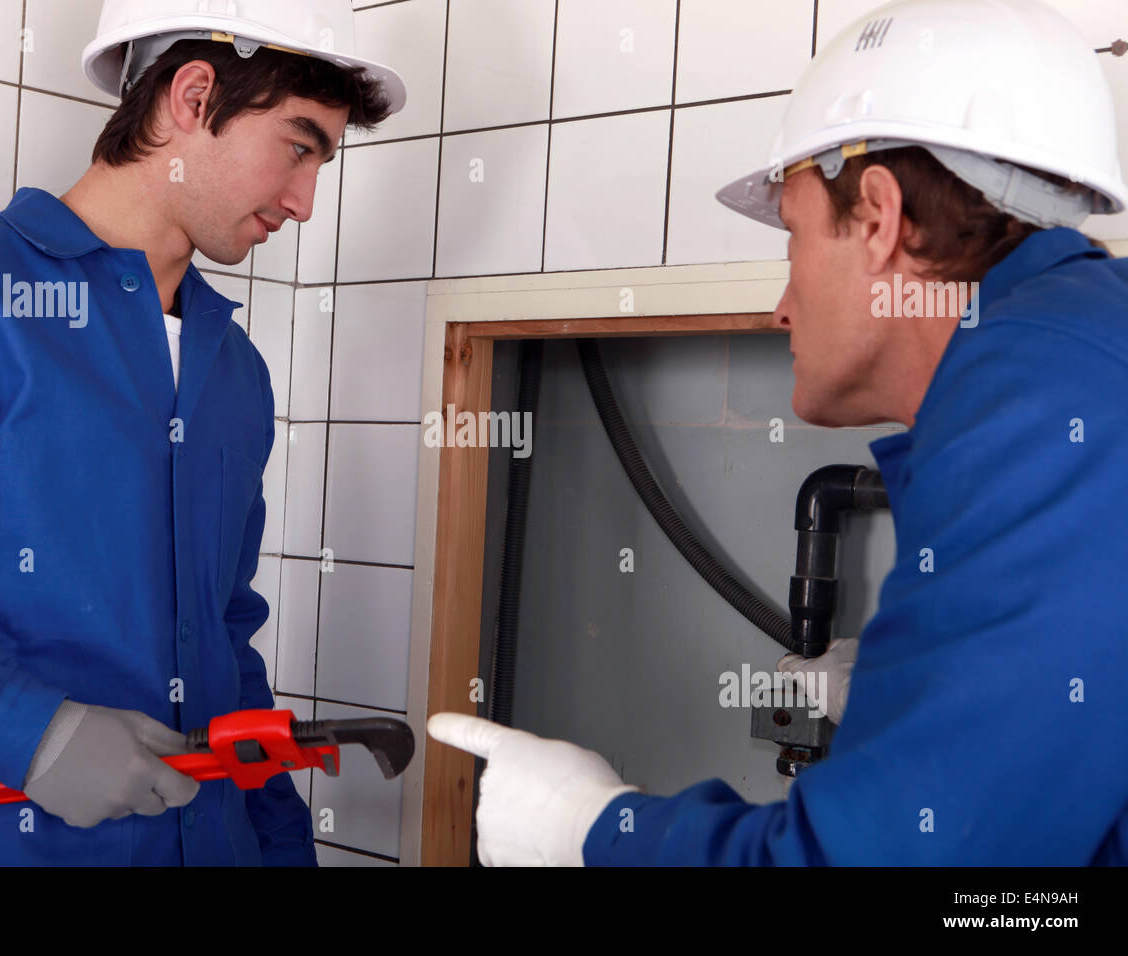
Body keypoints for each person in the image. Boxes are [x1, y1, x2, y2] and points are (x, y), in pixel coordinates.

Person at [429, 0, 1128, 865]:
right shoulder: (1073, 357)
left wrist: (595, 828)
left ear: (877, 218)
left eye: (793, 237)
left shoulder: (1036, 400)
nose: (781, 304)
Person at [0, 0, 403, 865]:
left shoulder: (234, 371)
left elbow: (223, 635)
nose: (304, 202)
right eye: (298, 146)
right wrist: (25, 731)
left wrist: (282, 847)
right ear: (194, 96)